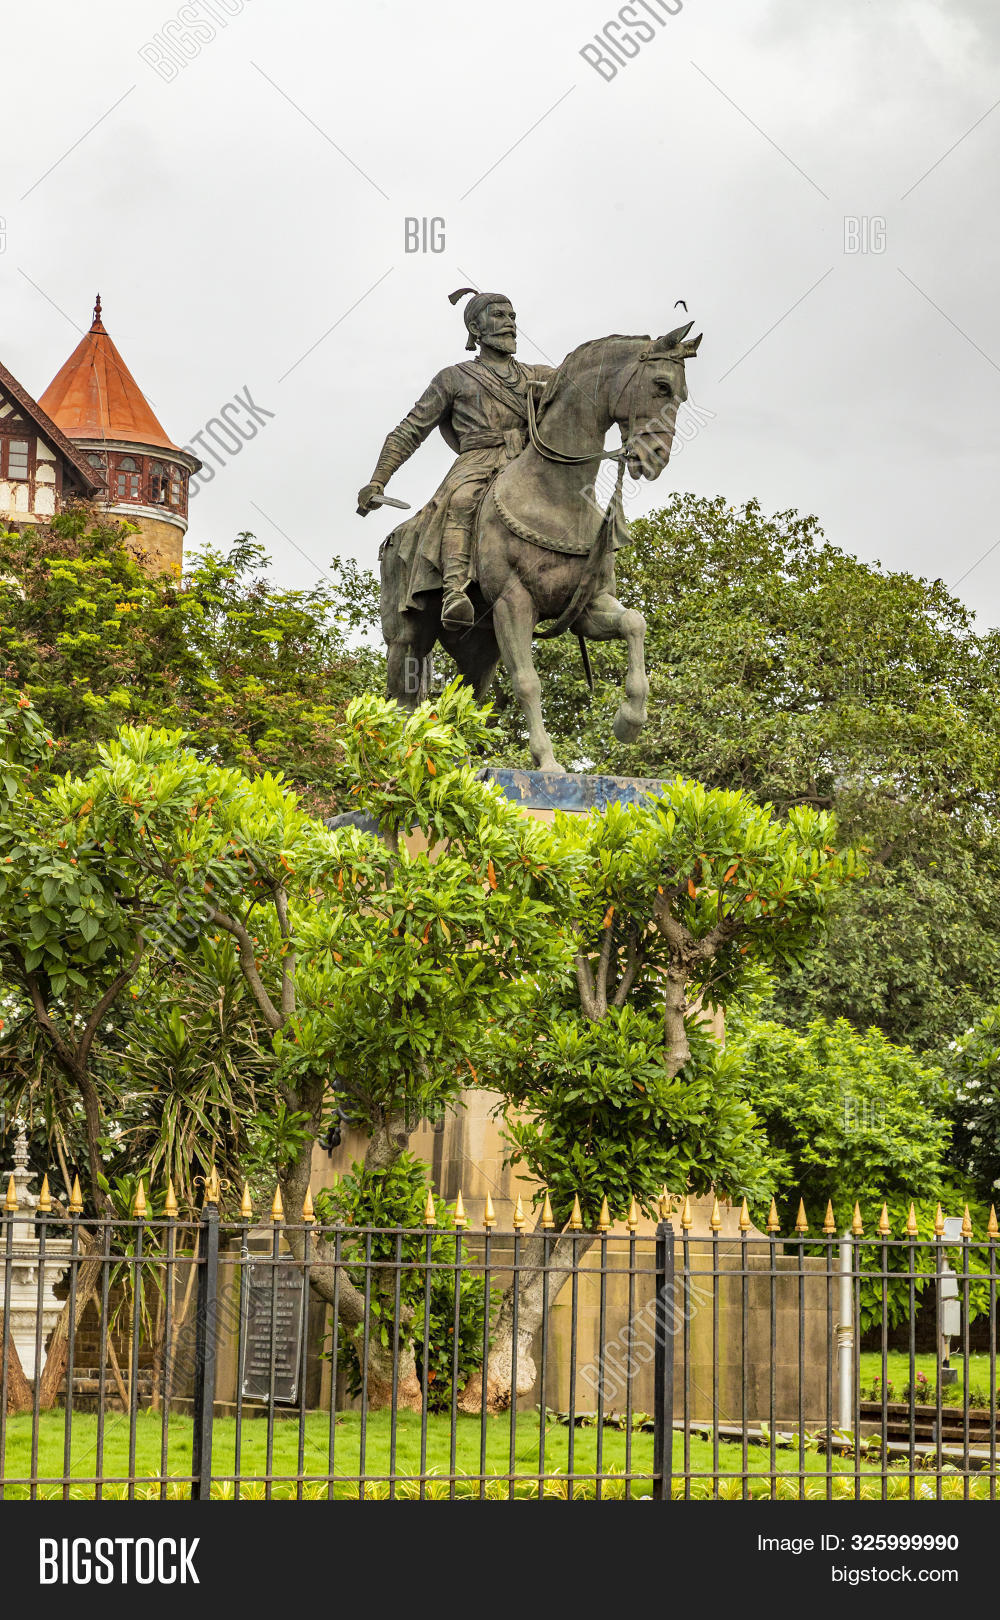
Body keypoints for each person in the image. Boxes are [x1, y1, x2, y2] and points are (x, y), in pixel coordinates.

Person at [357, 288, 553, 628]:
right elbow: (410, 430)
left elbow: (584, 377)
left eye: (513, 317)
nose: (510, 324)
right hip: (477, 462)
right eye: (499, 316)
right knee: (462, 502)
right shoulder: (454, 378)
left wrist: (653, 354)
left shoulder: (537, 375)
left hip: (526, 460)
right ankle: (455, 591)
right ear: (475, 329)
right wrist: (378, 479)